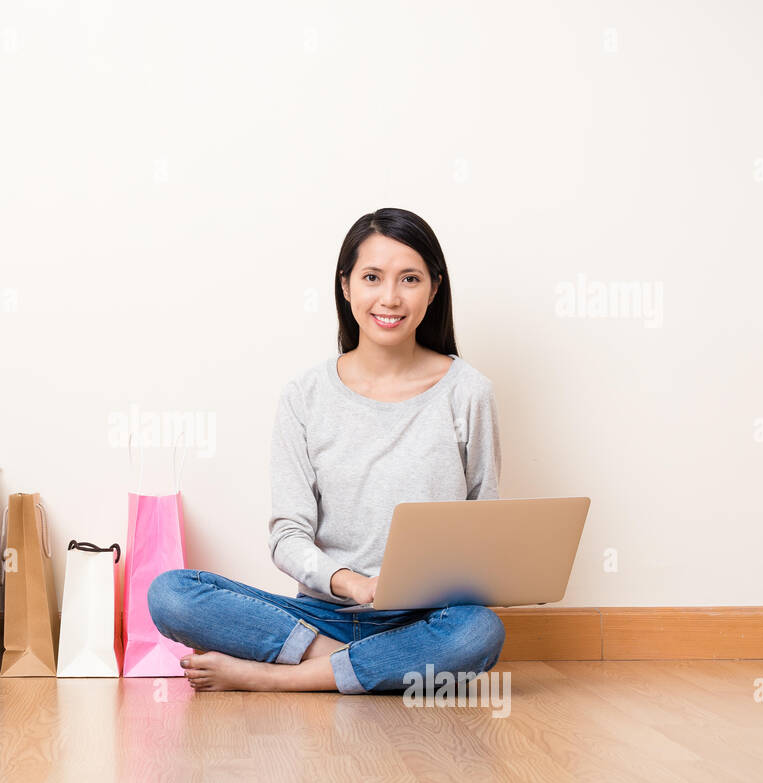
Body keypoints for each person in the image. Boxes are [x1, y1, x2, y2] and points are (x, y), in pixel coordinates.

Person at [147, 207, 506, 693]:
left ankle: (280, 678)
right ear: (345, 286)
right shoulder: (306, 394)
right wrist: (355, 584)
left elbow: (485, 526)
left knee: (479, 632)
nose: (390, 298)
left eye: (410, 279)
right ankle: (358, 666)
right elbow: (288, 536)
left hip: (426, 619)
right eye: (373, 277)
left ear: (434, 289)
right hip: (318, 616)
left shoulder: (469, 392)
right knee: (170, 594)